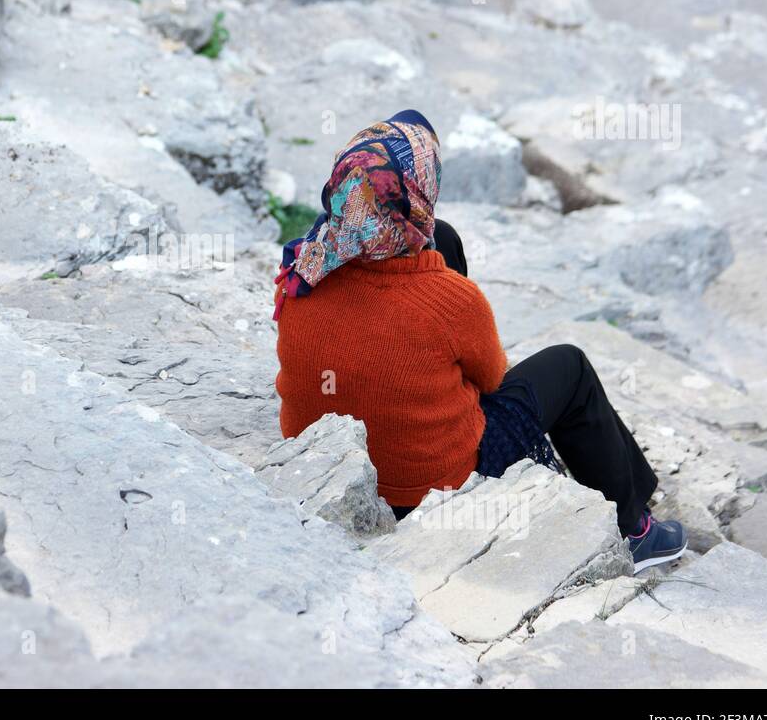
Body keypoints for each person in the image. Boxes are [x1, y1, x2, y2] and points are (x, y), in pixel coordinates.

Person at [273, 110, 687, 573]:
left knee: (442, 239)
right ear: (419, 193)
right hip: (425, 485)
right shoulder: (450, 300)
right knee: (570, 368)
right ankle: (633, 531)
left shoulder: (304, 267)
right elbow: (491, 378)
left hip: (327, 459)